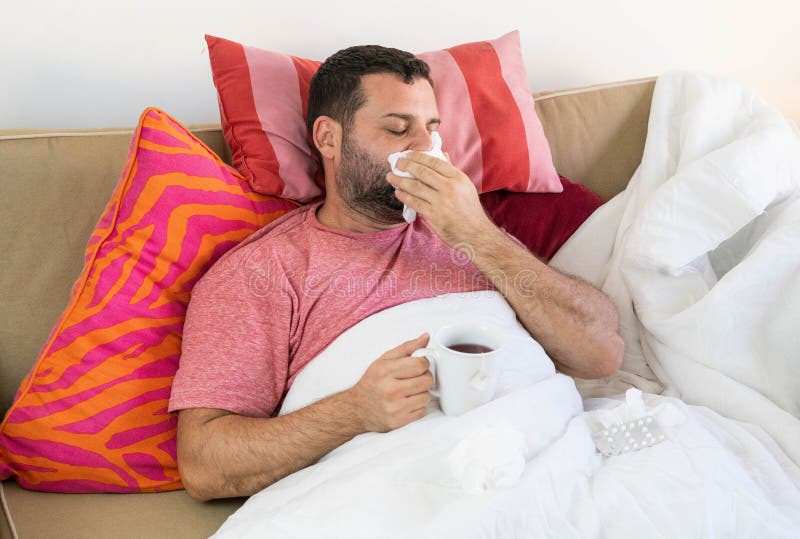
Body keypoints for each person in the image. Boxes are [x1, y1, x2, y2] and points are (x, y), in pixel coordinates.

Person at [169, 45, 624, 501]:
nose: (426, 149)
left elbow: (601, 354)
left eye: (431, 129)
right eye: (397, 129)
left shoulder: (473, 232)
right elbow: (204, 466)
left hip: (548, 464)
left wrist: (477, 235)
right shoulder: (264, 272)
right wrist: (353, 412)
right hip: (420, 491)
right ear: (329, 138)